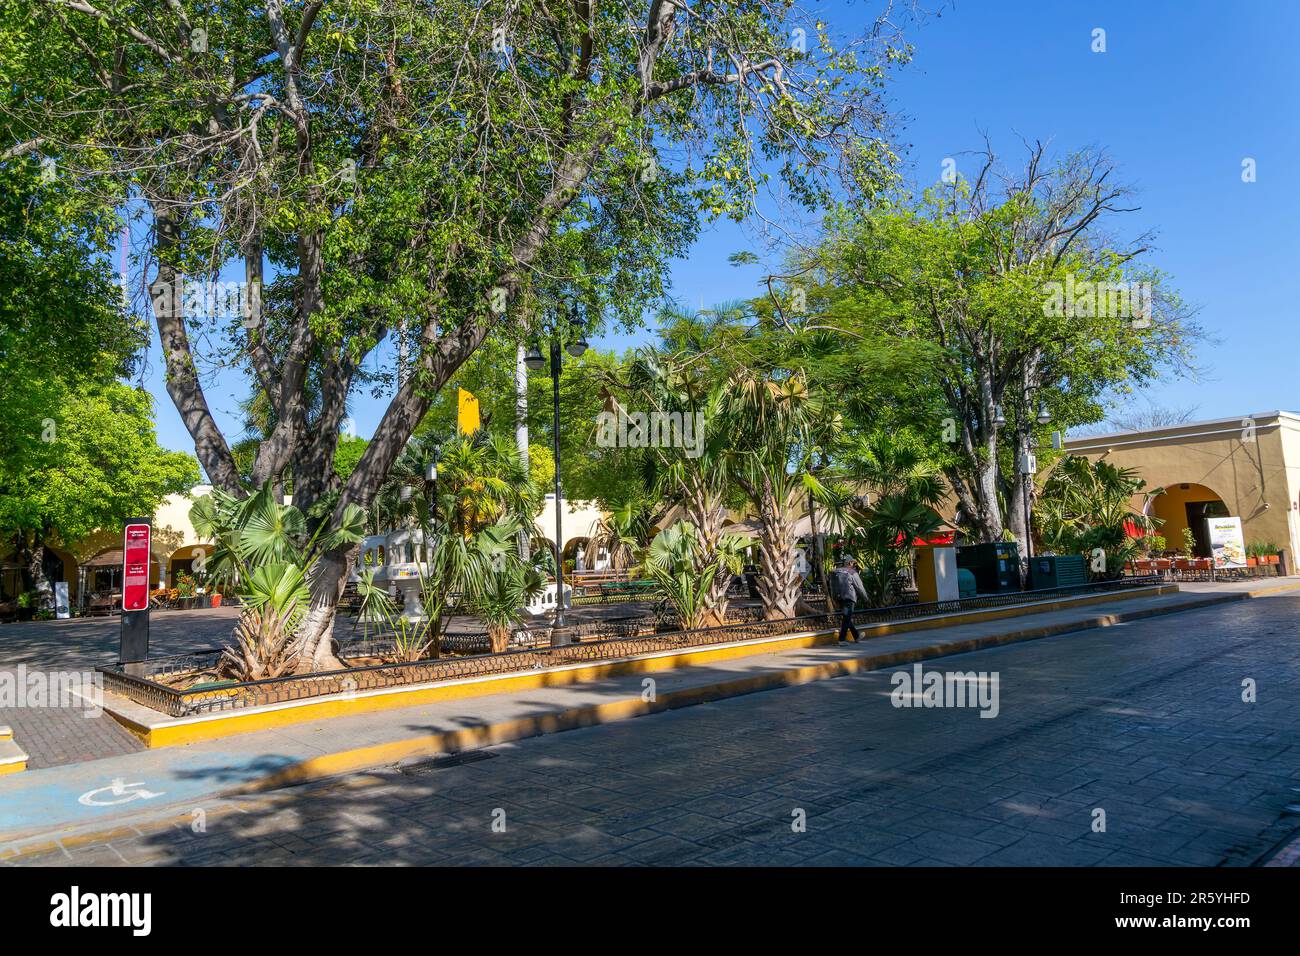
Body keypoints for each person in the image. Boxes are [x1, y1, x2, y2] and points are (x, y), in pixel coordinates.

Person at [828, 556, 869, 643]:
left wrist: (834, 598)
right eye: (853, 563)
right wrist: (866, 598)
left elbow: (831, 585)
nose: (854, 565)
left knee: (847, 617)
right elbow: (859, 587)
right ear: (850, 563)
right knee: (847, 618)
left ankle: (856, 636)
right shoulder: (852, 572)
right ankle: (842, 639)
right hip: (849, 599)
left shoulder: (835, 571)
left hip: (838, 598)